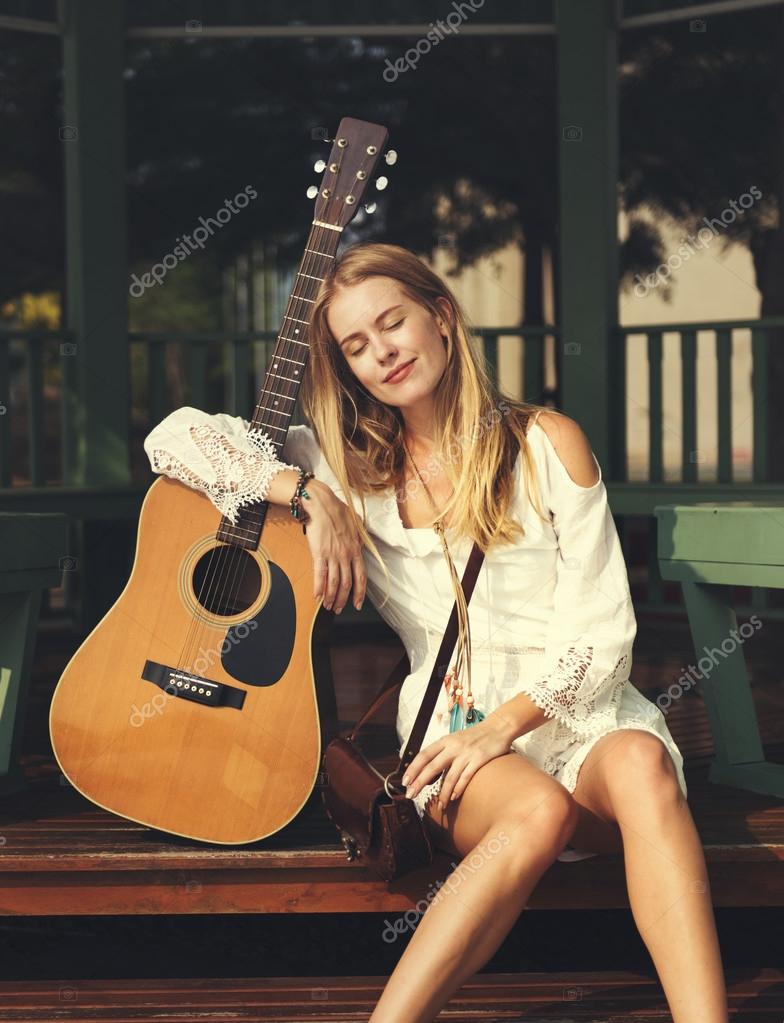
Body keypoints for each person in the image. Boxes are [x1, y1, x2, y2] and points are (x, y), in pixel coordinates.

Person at [143, 242, 729, 1023]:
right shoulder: (345, 467)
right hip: (453, 733)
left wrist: (505, 727)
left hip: (577, 714)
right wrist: (308, 492)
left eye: (393, 322)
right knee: (537, 811)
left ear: (442, 317)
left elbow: (602, 635)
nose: (382, 352)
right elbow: (173, 436)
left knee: (645, 762)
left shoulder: (545, 441)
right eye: (357, 345)